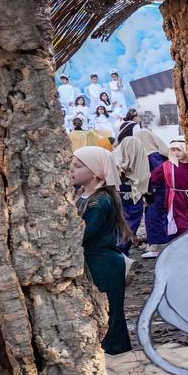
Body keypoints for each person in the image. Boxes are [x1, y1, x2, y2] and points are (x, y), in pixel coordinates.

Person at [70, 146, 136, 355]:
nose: (72, 170)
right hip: (94, 262)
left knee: (109, 314)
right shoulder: (83, 196)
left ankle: (118, 361)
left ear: (96, 171)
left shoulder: (99, 201)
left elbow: (82, 234)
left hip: (103, 264)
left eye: (78, 166)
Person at [146, 136, 188, 255]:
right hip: (176, 200)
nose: (175, 153)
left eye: (178, 149)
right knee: (182, 226)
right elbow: (154, 178)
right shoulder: (167, 166)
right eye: (173, 150)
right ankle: (186, 251)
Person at [112, 133, 151, 252]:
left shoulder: (140, 161)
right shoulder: (114, 161)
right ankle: (120, 251)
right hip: (125, 200)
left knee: (127, 226)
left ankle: (121, 251)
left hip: (129, 200)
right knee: (125, 226)